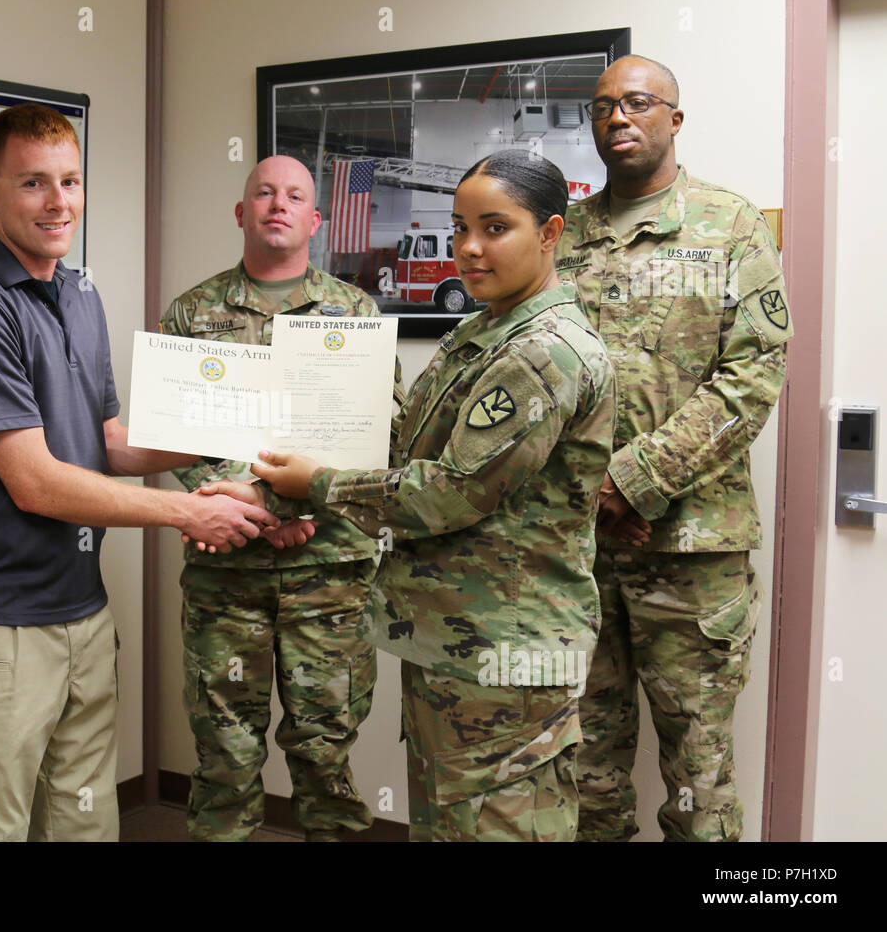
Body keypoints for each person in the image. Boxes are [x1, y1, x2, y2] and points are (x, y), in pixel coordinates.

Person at [215, 150, 615, 841]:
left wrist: (314, 483)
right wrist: (269, 485)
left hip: (506, 654)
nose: (468, 247)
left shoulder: (543, 349)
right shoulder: (484, 330)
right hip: (456, 643)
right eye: (460, 227)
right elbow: (398, 441)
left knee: (501, 825)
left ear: (550, 234)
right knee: (447, 824)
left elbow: (450, 494)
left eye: (495, 228)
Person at [0, 104, 279, 842]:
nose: (58, 203)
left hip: (80, 608)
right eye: (33, 184)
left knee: (85, 821)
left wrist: (232, 434)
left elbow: (107, 440)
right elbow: (36, 482)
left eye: (71, 181)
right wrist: (187, 513)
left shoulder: (78, 292)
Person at [555, 55, 792, 842]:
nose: (617, 118)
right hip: (577, 551)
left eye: (637, 103)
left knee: (698, 776)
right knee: (585, 765)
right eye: (601, 108)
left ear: (674, 120)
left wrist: (634, 478)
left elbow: (755, 371)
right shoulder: (564, 237)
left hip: (691, 552)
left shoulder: (730, 223)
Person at [160, 155, 403, 842]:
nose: (278, 204)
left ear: (315, 220)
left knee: (325, 755)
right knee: (224, 758)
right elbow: (170, 430)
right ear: (242, 213)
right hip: (225, 571)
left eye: (295, 195)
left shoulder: (353, 313)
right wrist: (254, 512)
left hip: (326, 572)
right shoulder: (191, 312)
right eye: (263, 192)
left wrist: (286, 507)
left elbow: (378, 430)